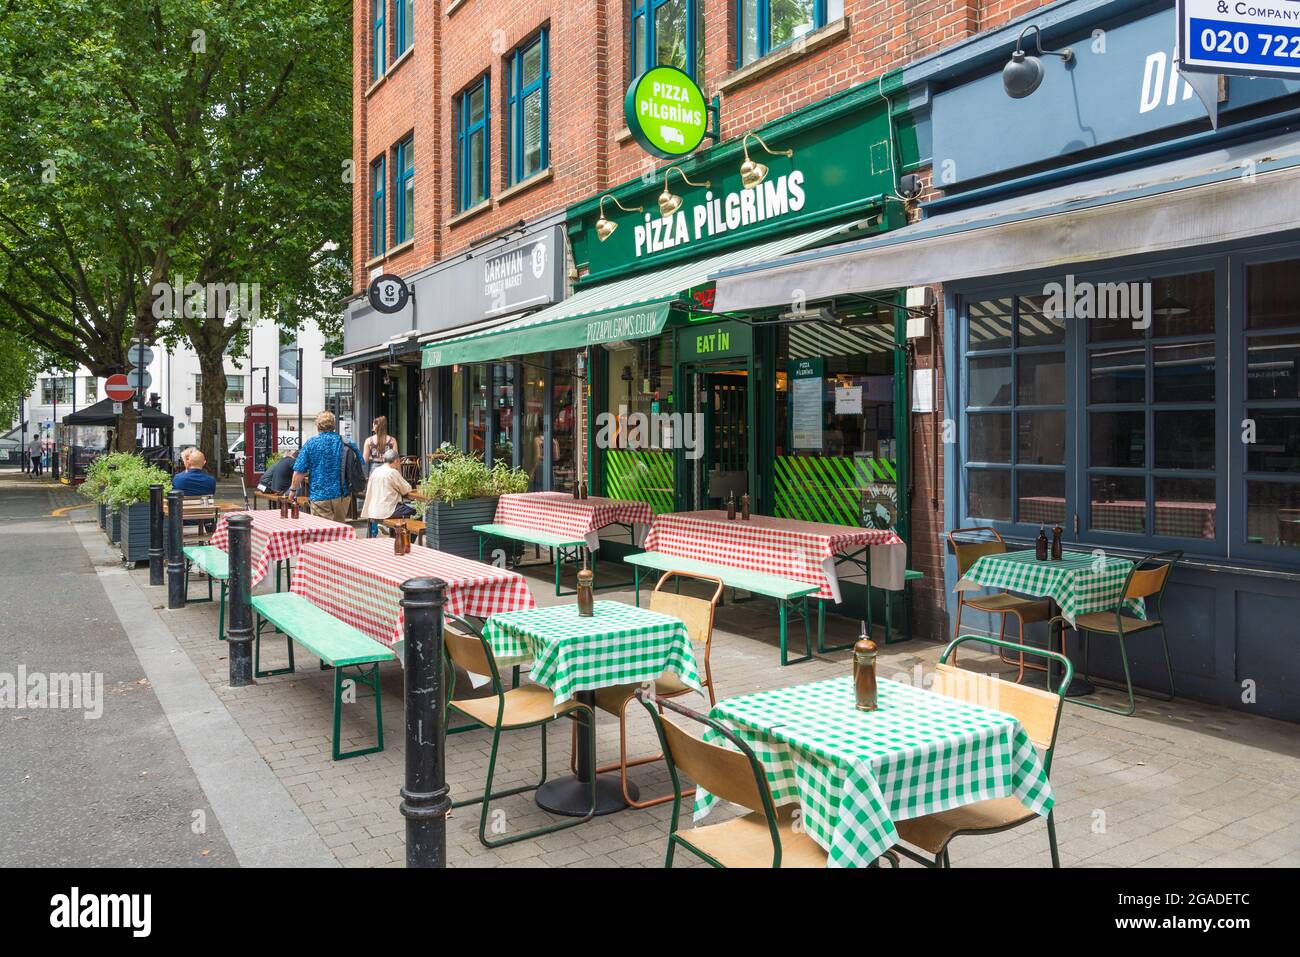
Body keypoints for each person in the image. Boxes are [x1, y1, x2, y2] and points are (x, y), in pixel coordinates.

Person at [289, 411, 364, 523]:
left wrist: (293, 490)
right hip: (342, 496)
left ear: (318, 426)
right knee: (339, 530)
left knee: (323, 533)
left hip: (320, 496)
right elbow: (360, 462)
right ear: (334, 425)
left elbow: (299, 471)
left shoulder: (311, 444)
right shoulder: (346, 442)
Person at [360, 449, 417, 535]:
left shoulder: (375, 471)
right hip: (387, 511)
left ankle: (394, 533)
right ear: (396, 461)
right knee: (417, 512)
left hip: (373, 510)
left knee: (405, 509)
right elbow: (406, 489)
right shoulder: (392, 472)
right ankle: (404, 539)